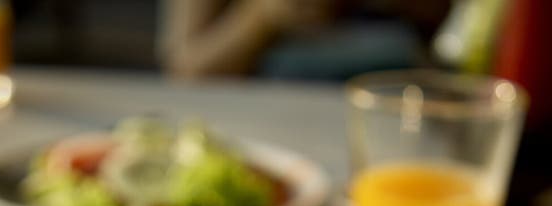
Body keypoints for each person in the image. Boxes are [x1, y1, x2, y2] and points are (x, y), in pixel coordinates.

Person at [159, 0, 451, 80]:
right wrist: (261, 17)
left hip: (390, 120)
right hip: (265, 121)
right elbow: (187, 67)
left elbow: (449, 44)